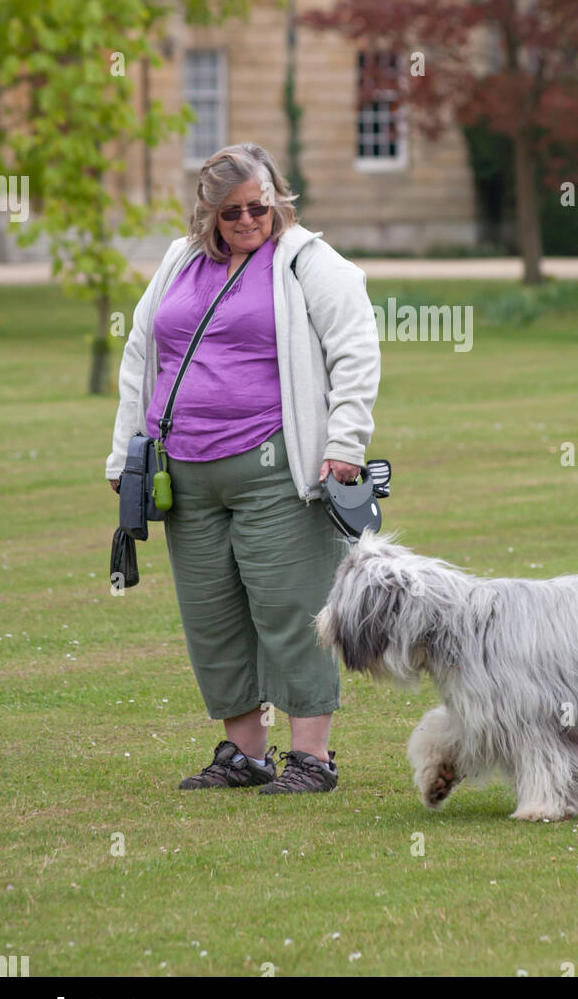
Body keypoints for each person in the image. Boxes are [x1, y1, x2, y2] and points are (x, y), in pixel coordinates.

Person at [105, 143, 381, 795]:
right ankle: (243, 752)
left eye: (261, 206)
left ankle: (312, 757)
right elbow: (142, 354)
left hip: (274, 471)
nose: (249, 219)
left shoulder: (308, 262)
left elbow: (355, 350)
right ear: (209, 211)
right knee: (212, 614)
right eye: (233, 212)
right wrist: (125, 453)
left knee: (291, 609)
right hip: (185, 476)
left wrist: (345, 442)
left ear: (279, 199)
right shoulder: (180, 260)